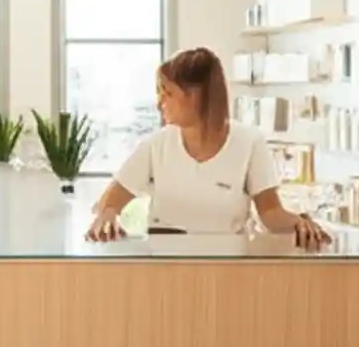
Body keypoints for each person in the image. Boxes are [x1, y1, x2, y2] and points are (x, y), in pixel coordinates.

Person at [85, 47, 330, 247]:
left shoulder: (249, 143)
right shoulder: (157, 144)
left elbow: (271, 213)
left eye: (167, 93)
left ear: (195, 96)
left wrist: (299, 223)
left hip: (227, 269)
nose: (159, 102)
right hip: (165, 266)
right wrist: (108, 215)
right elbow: (110, 200)